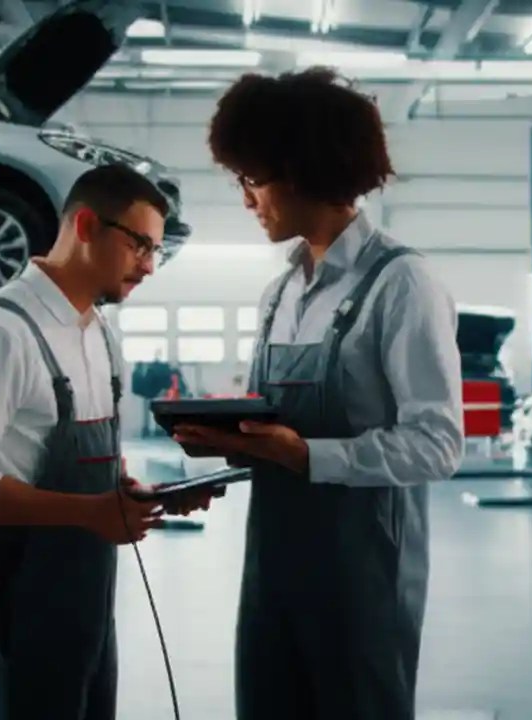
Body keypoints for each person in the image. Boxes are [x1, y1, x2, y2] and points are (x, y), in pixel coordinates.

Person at [175, 67, 465, 720]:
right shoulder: (280, 292)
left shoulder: (402, 284)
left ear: (300, 170)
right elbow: (271, 428)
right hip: (272, 568)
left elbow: (438, 445)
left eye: (253, 179)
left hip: (363, 581)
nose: (247, 199)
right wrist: (228, 450)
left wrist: (304, 455)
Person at [0, 163, 208, 720]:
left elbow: (89, 463)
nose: (149, 266)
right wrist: (88, 512)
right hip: (18, 592)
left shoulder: (99, 333)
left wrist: (132, 493)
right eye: (139, 246)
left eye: (156, 251)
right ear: (84, 226)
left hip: (87, 594)